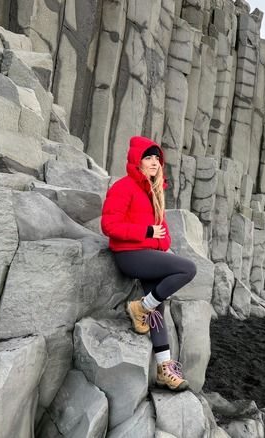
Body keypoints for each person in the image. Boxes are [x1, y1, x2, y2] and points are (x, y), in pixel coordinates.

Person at [101, 136, 197, 391]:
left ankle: (164, 369)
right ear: (138, 161)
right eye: (148, 158)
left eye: (157, 158)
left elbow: (163, 233)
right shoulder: (123, 187)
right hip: (129, 255)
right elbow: (109, 226)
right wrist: (147, 232)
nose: (154, 162)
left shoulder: (155, 191)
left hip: (148, 254)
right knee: (188, 269)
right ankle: (139, 307)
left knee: (157, 310)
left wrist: (160, 241)